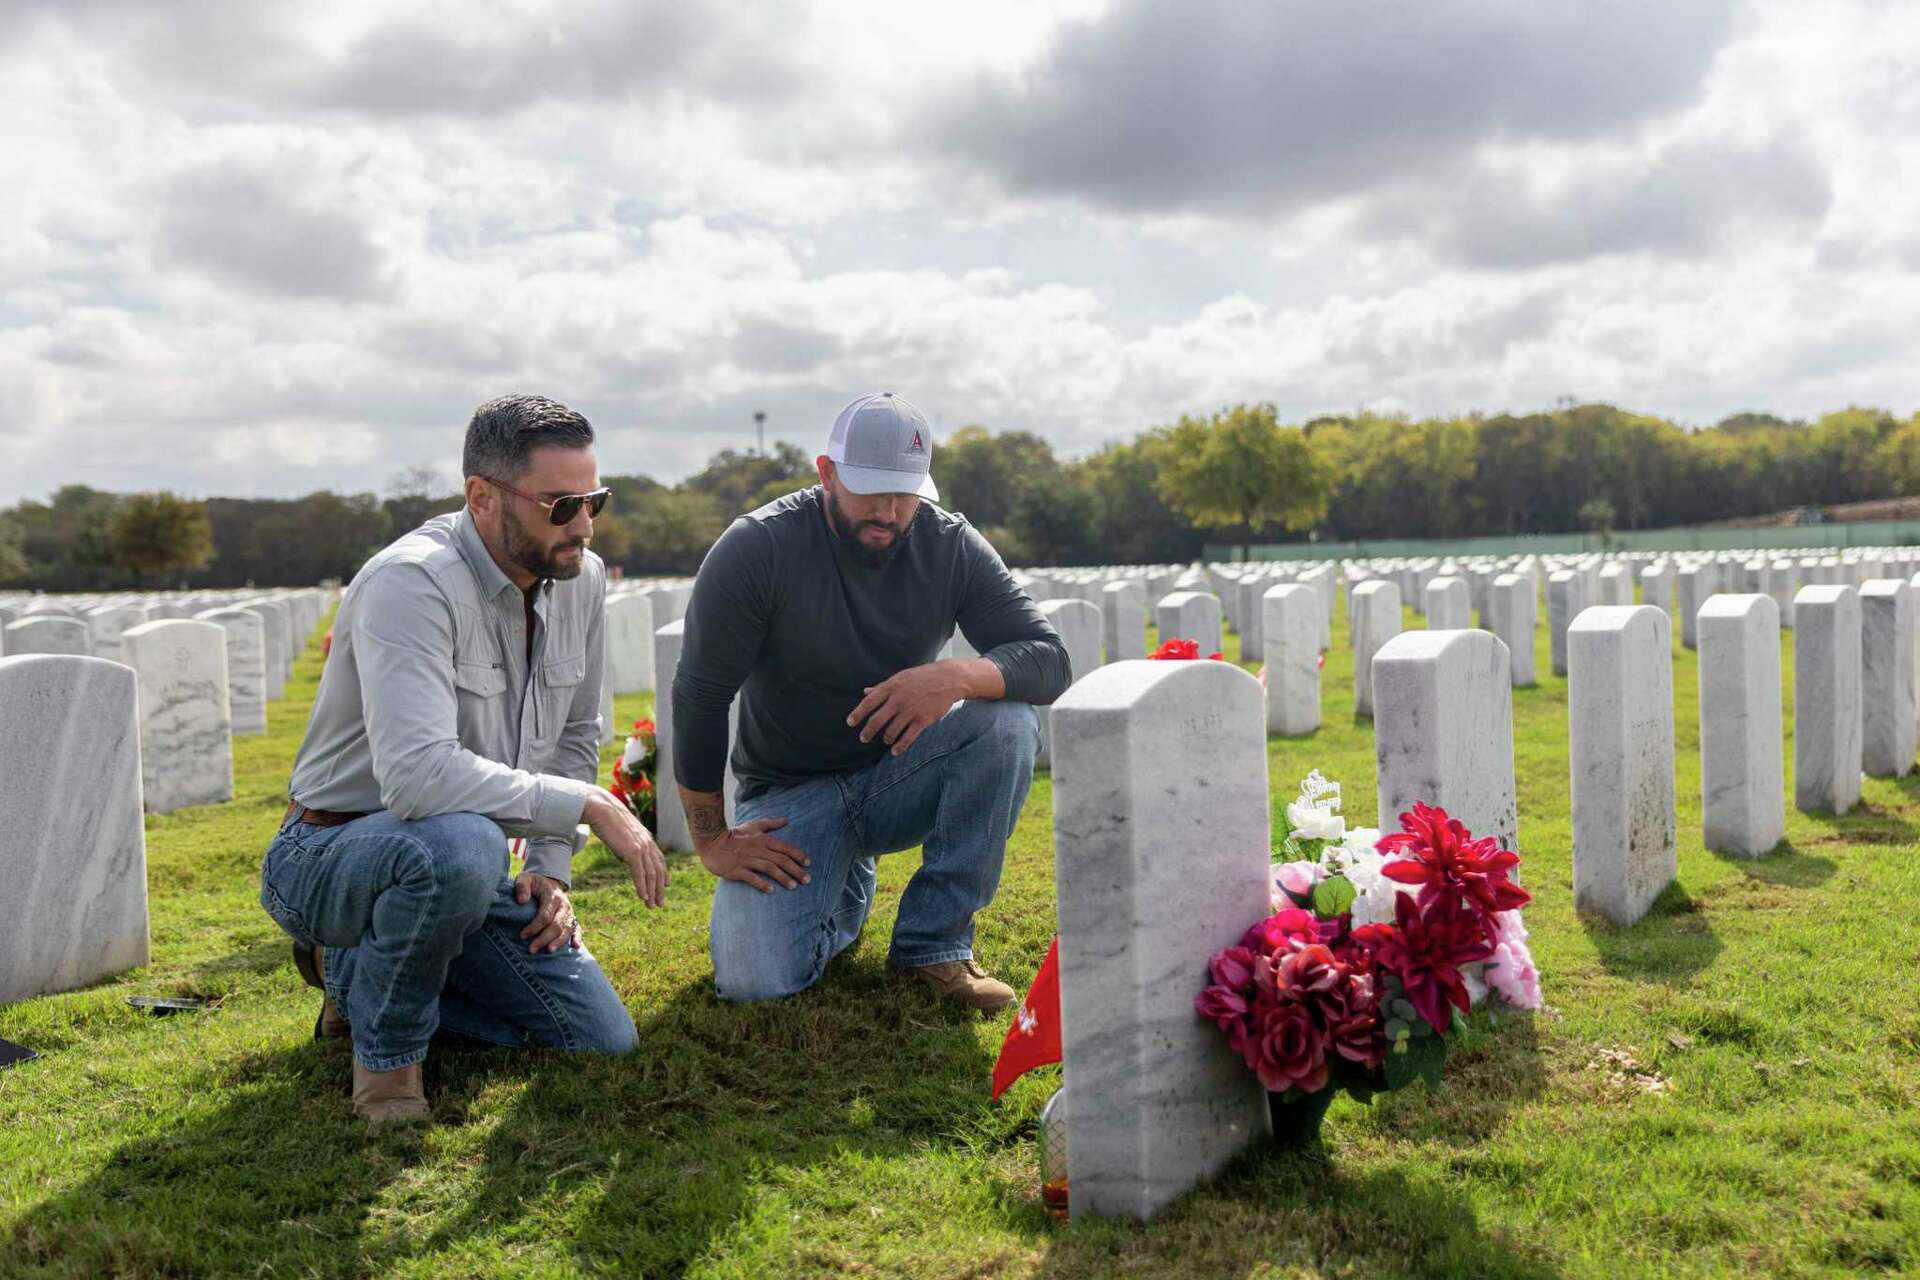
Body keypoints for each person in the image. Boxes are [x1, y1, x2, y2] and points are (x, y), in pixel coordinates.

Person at [260, 394, 668, 1123]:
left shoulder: (582, 578)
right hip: (333, 852)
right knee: (461, 841)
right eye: (562, 504)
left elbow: (577, 734)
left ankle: (349, 974)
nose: (583, 524)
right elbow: (417, 778)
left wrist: (548, 865)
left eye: (595, 499)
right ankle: (387, 1064)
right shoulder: (410, 584)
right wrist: (588, 804)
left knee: (598, 1038)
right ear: (483, 497)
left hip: (467, 868)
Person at [673, 391, 1071, 1009]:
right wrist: (712, 840)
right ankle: (843, 885)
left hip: (896, 772)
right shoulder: (758, 547)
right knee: (754, 982)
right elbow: (699, 694)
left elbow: (1049, 659)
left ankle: (933, 946)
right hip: (786, 795)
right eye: (870, 490)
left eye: (906, 493)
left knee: (1006, 724)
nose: (888, 510)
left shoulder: (950, 544)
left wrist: (954, 677)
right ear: (825, 472)